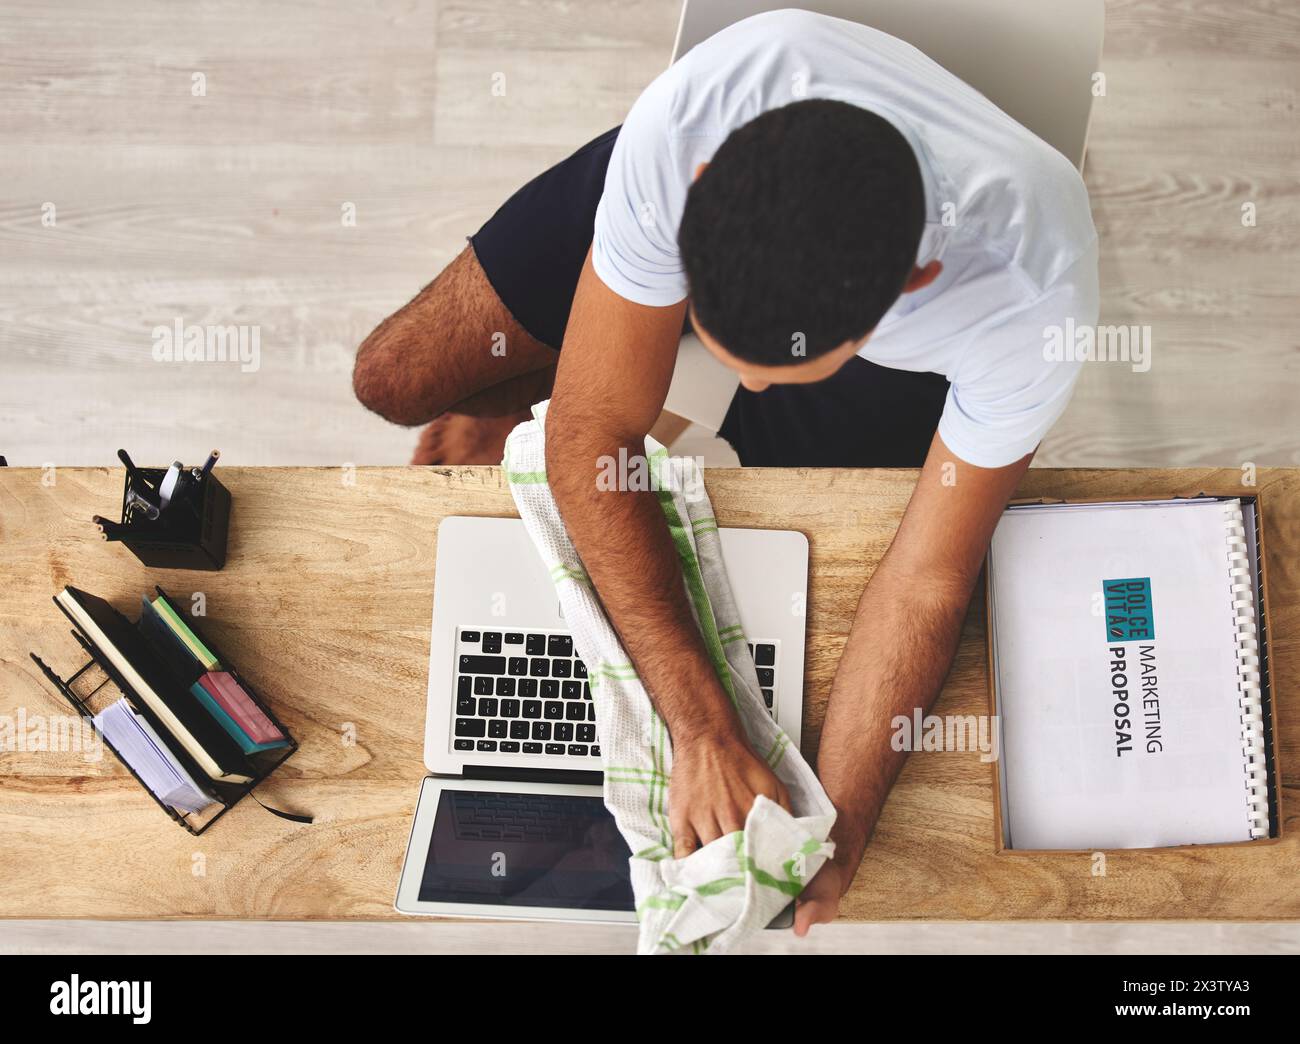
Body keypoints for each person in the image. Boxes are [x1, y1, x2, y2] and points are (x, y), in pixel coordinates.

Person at [353, 10, 1099, 934]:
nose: (735, 381)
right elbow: (594, 433)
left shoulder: (1031, 298)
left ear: (910, 289)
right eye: (710, 333)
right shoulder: (693, 119)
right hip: (718, 174)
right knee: (392, 380)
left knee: (796, 524)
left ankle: (586, 346)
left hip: (920, 318)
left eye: (770, 367)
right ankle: (556, 363)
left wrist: (840, 832)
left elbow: (929, 581)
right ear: (702, 185)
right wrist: (702, 728)